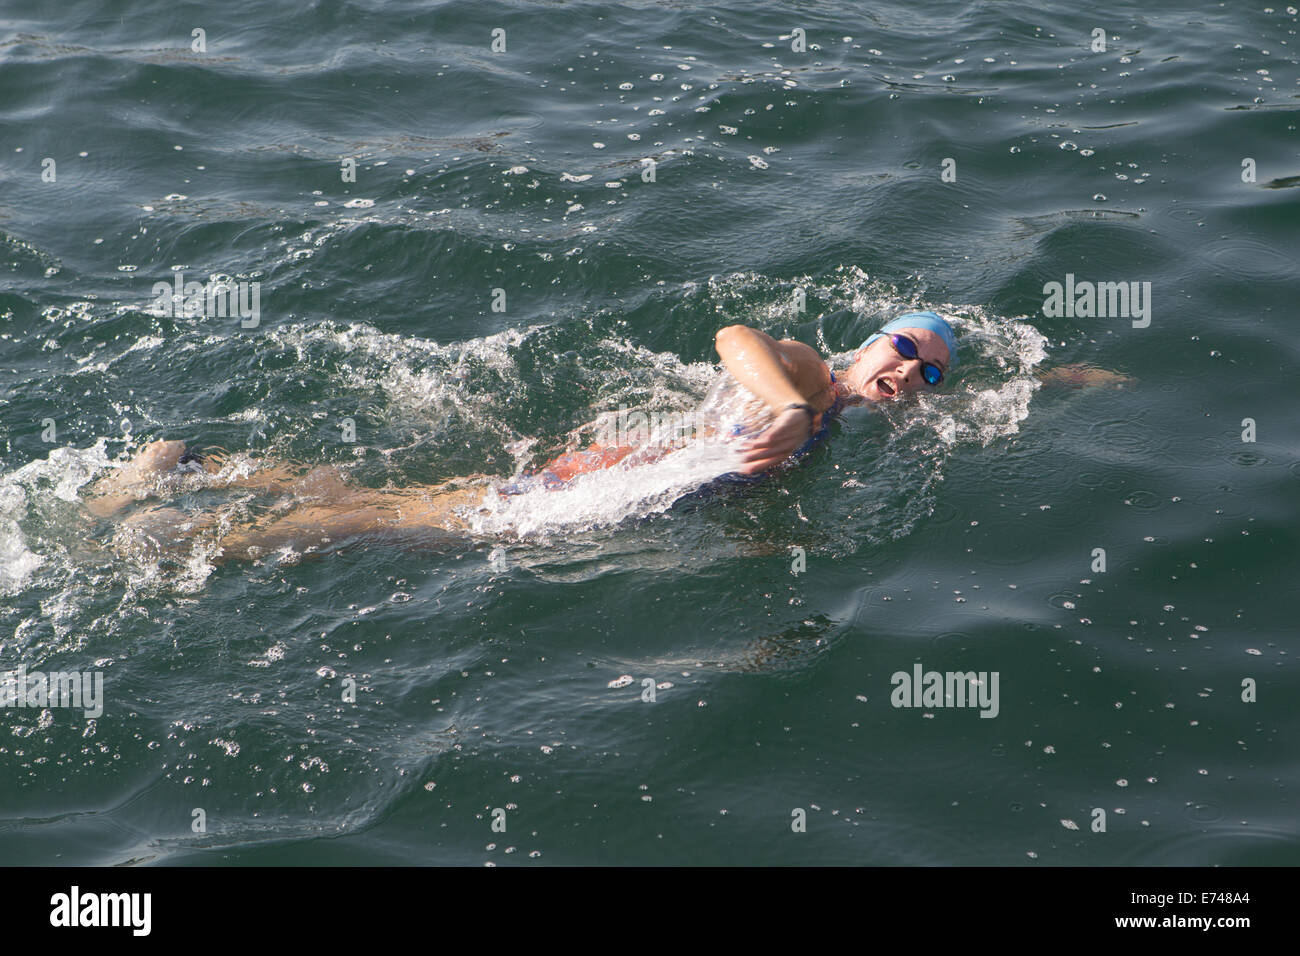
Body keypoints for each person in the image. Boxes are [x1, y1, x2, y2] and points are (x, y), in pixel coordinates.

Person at [86, 310, 1116, 562]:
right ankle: (170, 537)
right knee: (373, 527)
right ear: (862, 344)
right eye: (901, 347)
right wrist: (795, 407)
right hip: (599, 483)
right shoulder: (809, 371)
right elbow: (735, 335)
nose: (908, 371)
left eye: (927, 371)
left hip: (618, 483)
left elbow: (994, 394)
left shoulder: (855, 407)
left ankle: (205, 468)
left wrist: (1063, 374)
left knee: (381, 504)